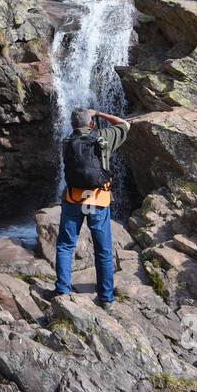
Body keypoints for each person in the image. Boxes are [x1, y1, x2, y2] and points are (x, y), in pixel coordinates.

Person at [50, 106, 129, 306]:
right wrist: (100, 114)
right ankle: (106, 298)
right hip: (98, 200)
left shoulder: (67, 142)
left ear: (71, 125)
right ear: (91, 123)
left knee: (66, 245)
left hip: (74, 200)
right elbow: (125, 124)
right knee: (103, 250)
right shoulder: (103, 137)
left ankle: (62, 291)